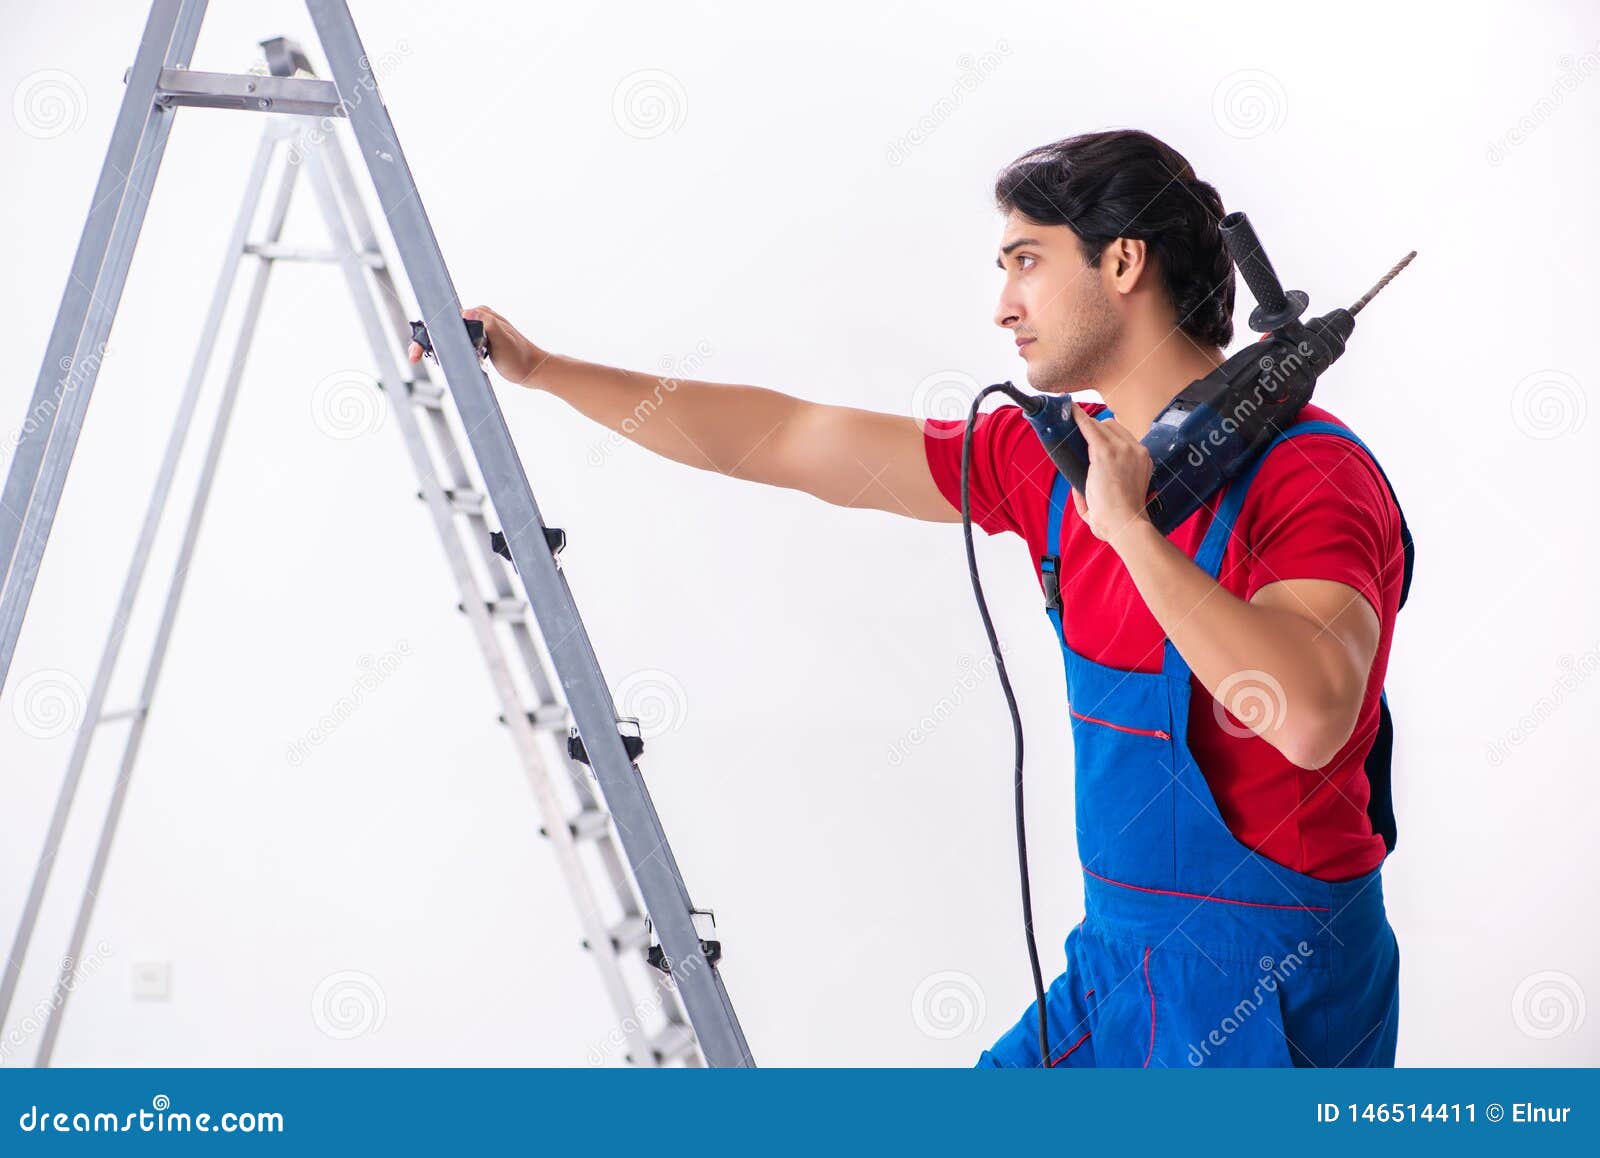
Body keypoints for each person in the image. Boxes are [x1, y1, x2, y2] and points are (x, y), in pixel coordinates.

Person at [410, 128, 1411, 1068]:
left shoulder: (1308, 475)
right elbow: (795, 439)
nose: (1003, 304)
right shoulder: (1049, 460)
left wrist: (1131, 531)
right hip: (1115, 968)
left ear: (1122, 264)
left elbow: (1312, 716)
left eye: (1026, 260)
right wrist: (542, 371)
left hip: (1273, 988)